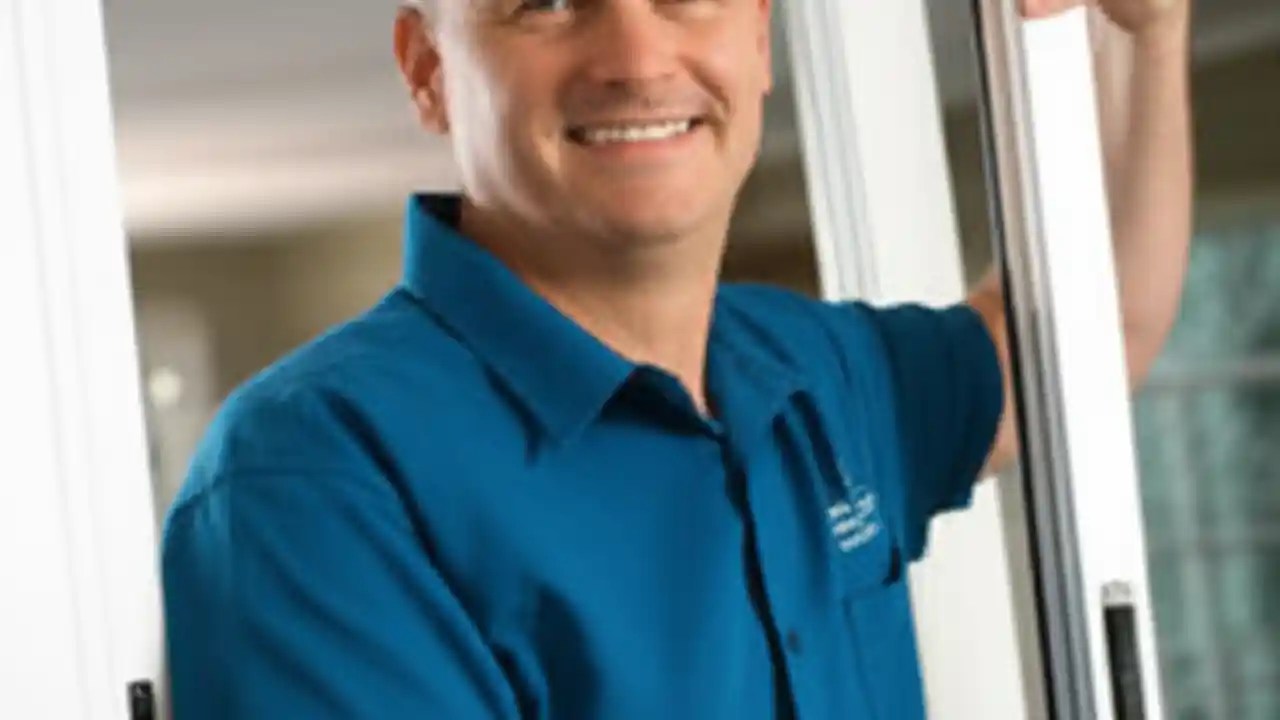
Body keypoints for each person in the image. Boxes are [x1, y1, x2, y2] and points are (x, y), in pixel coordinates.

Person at [161, 0, 1193, 717]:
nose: (636, 61)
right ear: (430, 72)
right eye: (549, 2)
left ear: (756, 38)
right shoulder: (316, 476)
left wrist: (1145, 36)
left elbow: (1083, 342)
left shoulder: (810, 371)